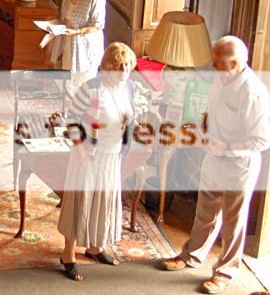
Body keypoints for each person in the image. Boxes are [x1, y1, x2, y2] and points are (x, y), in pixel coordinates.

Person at [160, 36, 270, 294]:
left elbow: (262, 140)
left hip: (238, 164)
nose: (216, 67)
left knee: (233, 222)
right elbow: (211, 109)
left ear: (238, 62)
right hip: (212, 158)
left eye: (221, 63)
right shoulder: (221, 78)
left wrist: (227, 147)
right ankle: (191, 255)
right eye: (215, 61)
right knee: (204, 213)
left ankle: (225, 271)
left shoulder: (253, 92)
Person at [58, 42, 137, 282]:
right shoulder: (91, 88)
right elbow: (71, 121)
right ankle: (68, 254)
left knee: (102, 201)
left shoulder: (129, 88)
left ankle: (94, 247)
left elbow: (128, 119)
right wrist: (81, 149)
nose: (123, 71)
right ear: (107, 66)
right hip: (88, 156)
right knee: (80, 201)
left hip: (112, 156)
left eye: (127, 66)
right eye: (118, 66)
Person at [49, 0, 106, 91]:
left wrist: (77, 32)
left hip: (84, 46)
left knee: (82, 84)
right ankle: (68, 108)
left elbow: (97, 25)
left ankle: (79, 109)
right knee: (68, 81)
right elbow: (64, 14)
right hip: (68, 41)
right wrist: (53, 22)